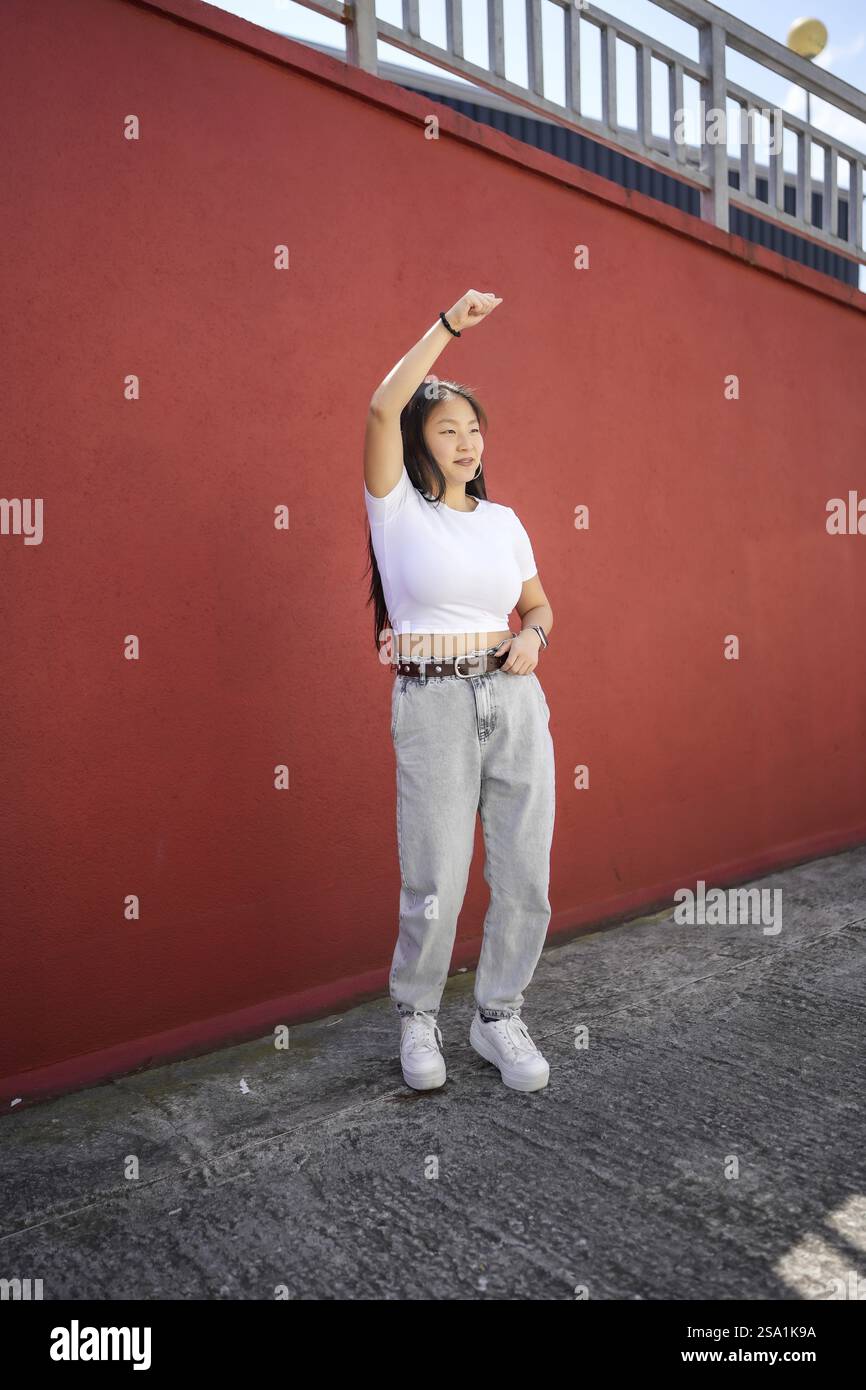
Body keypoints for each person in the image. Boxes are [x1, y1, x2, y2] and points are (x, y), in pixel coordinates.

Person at [363, 290, 555, 1093]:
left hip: (512, 704)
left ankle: (498, 1014)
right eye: (450, 428)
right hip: (435, 704)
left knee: (524, 873)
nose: (468, 441)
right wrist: (446, 327)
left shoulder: (504, 520)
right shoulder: (396, 510)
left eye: (475, 429)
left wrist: (532, 636)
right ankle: (417, 1018)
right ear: (420, 442)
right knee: (435, 875)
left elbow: (538, 605)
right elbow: (380, 407)